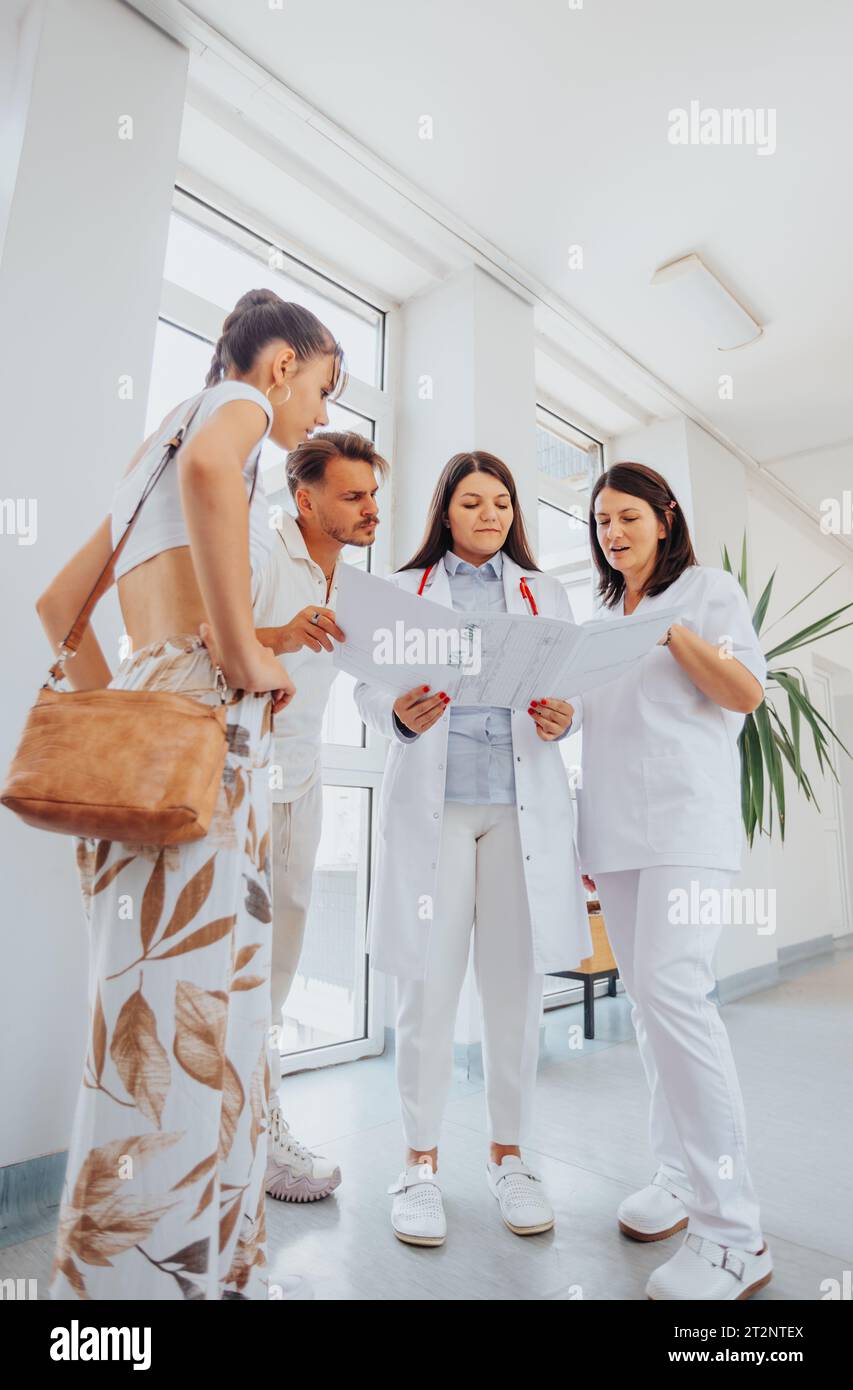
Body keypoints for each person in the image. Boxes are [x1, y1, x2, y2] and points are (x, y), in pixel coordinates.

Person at [37, 288, 344, 1300]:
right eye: (323, 388)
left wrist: (124, 719)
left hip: (151, 743)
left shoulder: (146, 458)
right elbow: (221, 468)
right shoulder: (232, 411)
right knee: (199, 1028)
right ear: (282, 363)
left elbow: (60, 607)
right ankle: (172, 1286)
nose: (315, 416)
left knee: (147, 1030)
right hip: (203, 746)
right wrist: (244, 652)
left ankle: (134, 1283)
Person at [353, 451, 592, 1247]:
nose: (487, 514)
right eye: (470, 501)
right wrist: (397, 713)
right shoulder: (402, 588)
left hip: (518, 812)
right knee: (426, 984)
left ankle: (509, 1155)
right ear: (444, 512)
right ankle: (417, 1165)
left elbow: (573, 687)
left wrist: (568, 717)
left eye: (499, 502)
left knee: (512, 991)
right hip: (439, 806)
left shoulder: (543, 591)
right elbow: (366, 682)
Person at [567, 461, 772, 1301]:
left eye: (626, 516)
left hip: (684, 826)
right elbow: (589, 717)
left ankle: (734, 1235)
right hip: (613, 831)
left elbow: (744, 693)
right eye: (601, 521)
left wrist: (669, 635)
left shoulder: (706, 592)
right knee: (648, 1007)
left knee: (674, 995)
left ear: (663, 516)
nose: (613, 532)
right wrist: (554, 712)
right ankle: (676, 1177)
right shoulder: (596, 614)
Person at [238, 430, 389, 1202]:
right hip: (236, 785)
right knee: (226, 968)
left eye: (372, 495)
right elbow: (205, 636)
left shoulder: (357, 584)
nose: (370, 509)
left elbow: (369, 680)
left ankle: (257, 1128)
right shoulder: (263, 551)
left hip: (303, 780)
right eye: (352, 496)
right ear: (305, 500)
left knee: (279, 970)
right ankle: (239, 1136)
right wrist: (279, 636)